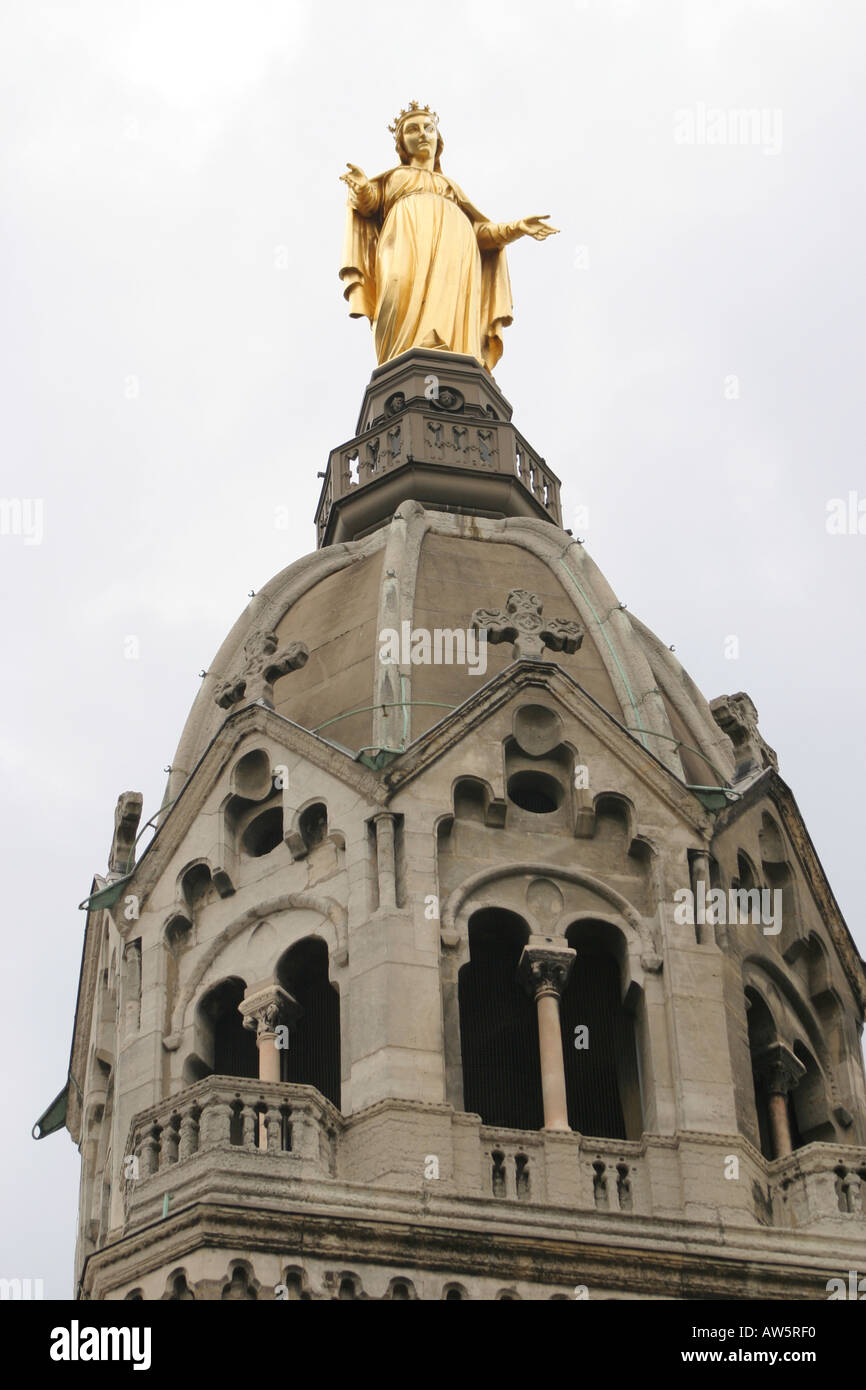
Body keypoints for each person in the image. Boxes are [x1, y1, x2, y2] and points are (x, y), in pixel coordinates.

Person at [339, 103, 558, 373]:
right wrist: (361, 189)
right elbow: (369, 204)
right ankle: (401, 367)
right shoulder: (394, 178)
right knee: (397, 290)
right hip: (403, 242)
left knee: (452, 314)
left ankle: (452, 361)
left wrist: (517, 227)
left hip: (455, 253)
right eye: (412, 129)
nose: (422, 134)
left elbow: (481, 234)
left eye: (428, 128)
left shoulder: (450, 187)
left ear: (437, 139)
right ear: (401, 144)